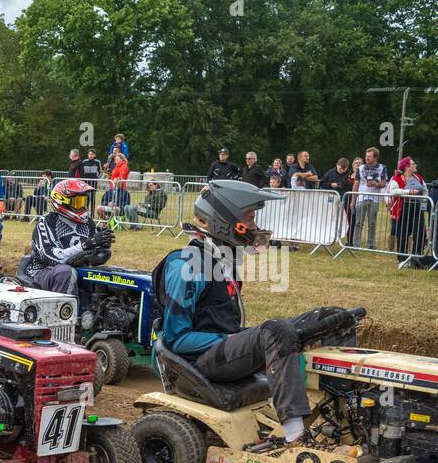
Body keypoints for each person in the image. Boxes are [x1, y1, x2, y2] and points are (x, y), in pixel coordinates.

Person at [156, 180, 326, 445]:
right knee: (276, 330)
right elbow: (177, 339)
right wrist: (230, 341)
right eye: (249, 218)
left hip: (224, 348)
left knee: (326, 317)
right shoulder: (187, 264)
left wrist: (237, 339)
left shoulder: (223, 261)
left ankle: (341, 418)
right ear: (223, 219)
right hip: (202, 361)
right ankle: (295, 434)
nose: (255, 227)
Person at [18, 178, 112, 295]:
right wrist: (86, 244)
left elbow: (94, 255)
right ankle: (63, 312)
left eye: (83, 201)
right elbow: (51, 257)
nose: (81, 206)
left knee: (108, 275)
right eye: (77, 202)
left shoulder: (89, 224)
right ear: (62, 201)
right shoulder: (48, 221)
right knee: (65, 272)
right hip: (42, 272)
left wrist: (102, 245)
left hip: (76, 270)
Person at [389, 156, 428, 266]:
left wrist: (424, 198)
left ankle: (417, 258)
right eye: (413, 164)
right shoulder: (396, 178)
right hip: (404, 208)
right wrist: (408, 191)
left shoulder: (418, 177)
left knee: (420, 233)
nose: (415, 165)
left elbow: (425, 190)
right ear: (407, 167)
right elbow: (393, 191)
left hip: (417, 208)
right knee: (403, 234)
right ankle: (402, 259)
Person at [353, 146, 388, 248]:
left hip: (374, 198)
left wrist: (375, 184)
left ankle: (371, 244)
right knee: (358, 222)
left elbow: (384, 183)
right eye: (366, 156)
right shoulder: (360, 168)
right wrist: (353, 199)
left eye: (369, 156)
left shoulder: (382, 167)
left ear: (375, 158)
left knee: (372, 223)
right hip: (361, 197)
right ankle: (356, 244)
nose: (367, 158)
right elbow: (356, 183)